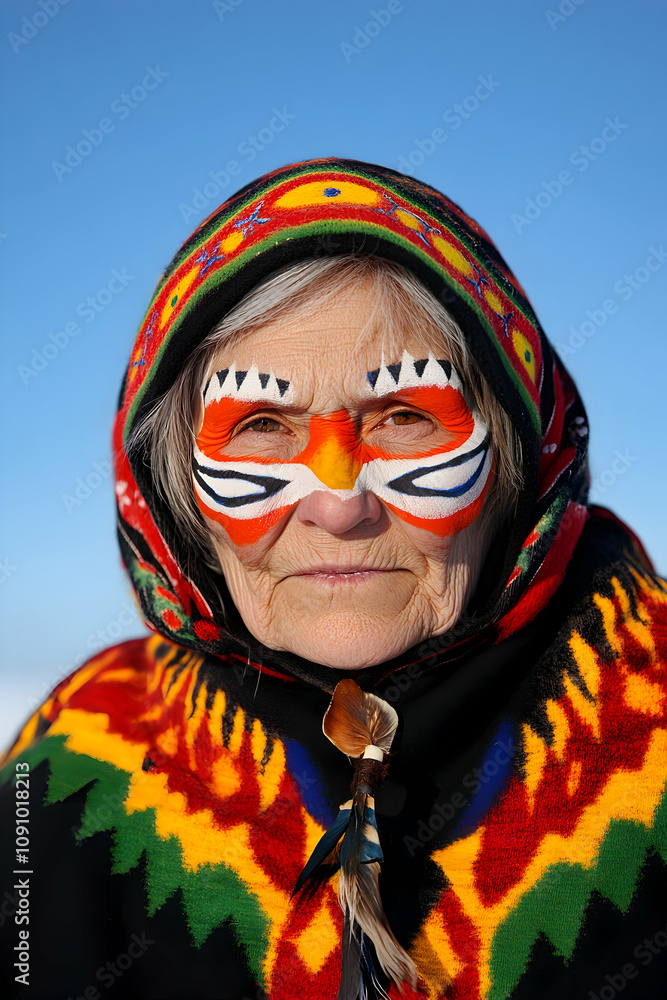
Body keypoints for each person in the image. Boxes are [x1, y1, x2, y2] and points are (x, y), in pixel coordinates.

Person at [1, 158, 666, 1000]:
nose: (339, 505)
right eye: (262, 425)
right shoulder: (73, 761)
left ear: (515, 462)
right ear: (175, 493)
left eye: (404, 417)